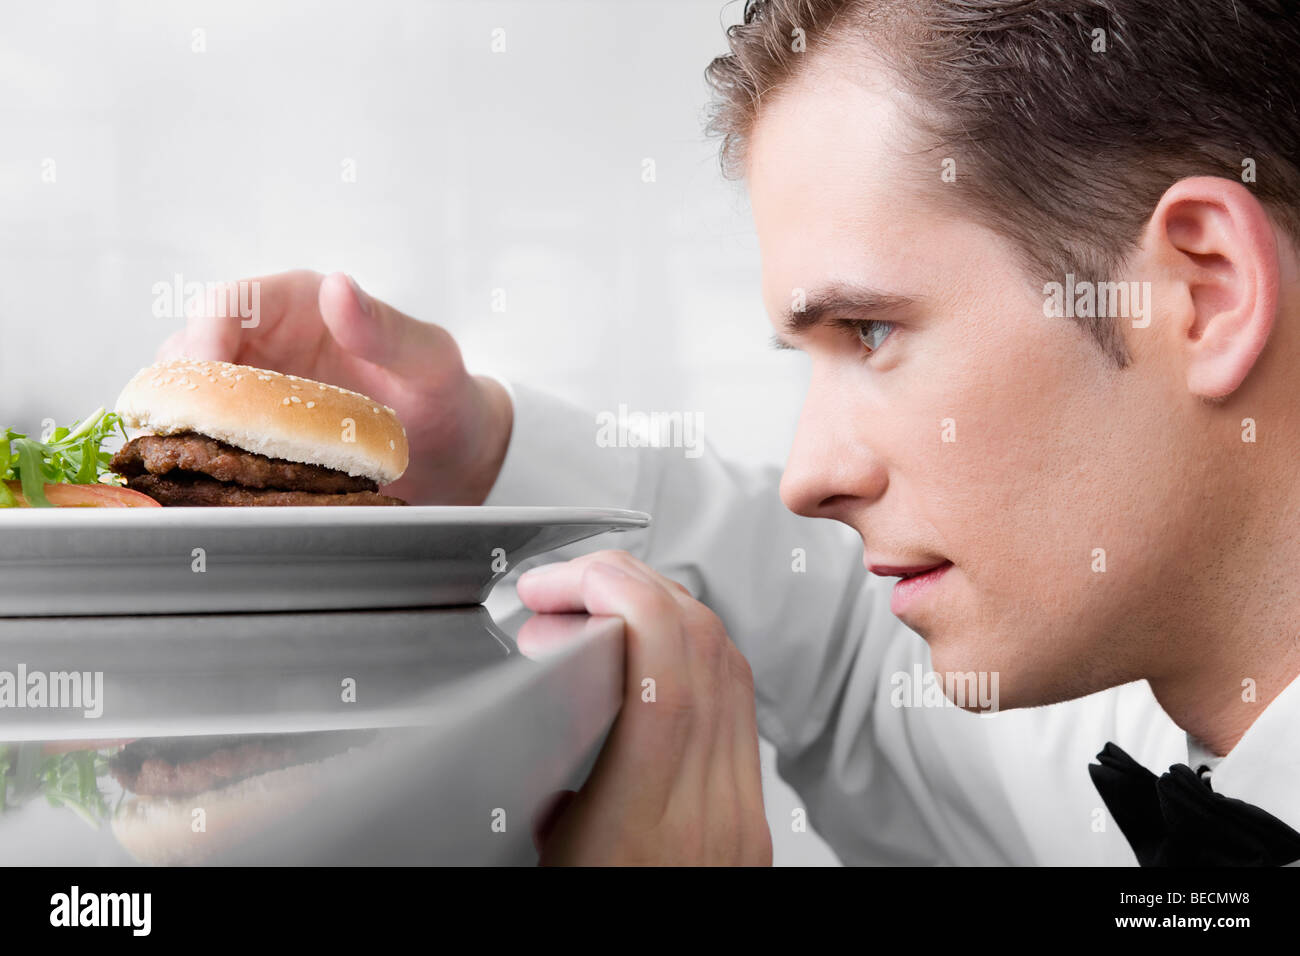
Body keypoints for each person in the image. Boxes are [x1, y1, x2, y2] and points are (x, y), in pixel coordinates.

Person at [156, 0, 1300, 866]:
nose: (810, 476)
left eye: (871, 330)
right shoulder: (1097, 716)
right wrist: (473, 443)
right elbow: (852, 658)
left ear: (1198, 292)